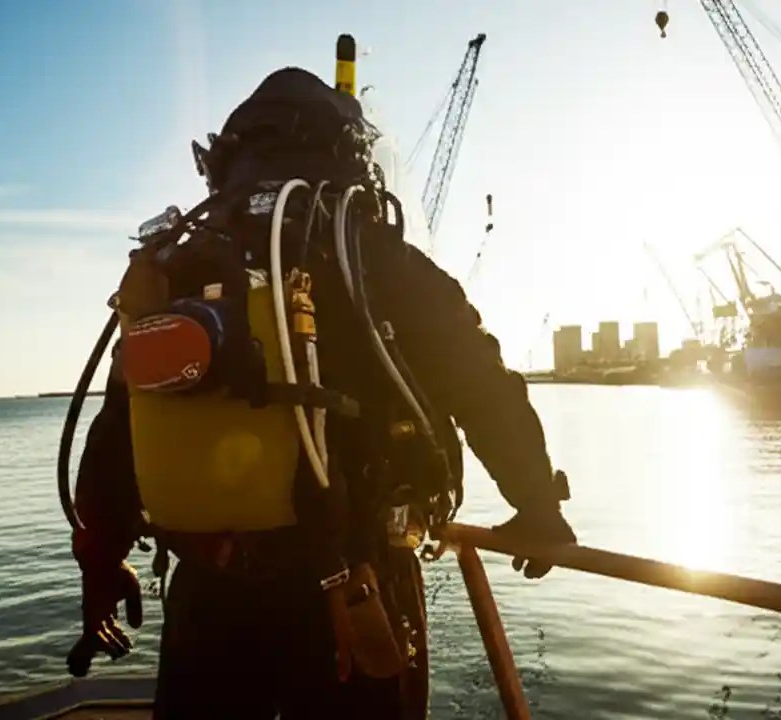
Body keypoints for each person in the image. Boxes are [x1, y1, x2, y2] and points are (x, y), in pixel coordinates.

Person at [65, 65, 577, 719]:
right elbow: (483, 385)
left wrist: (102, 562)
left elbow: (119, 426)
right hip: (356, 595)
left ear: (227, 160)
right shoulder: (380, 261)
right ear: (352, 158)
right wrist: (536, 504)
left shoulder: (177, 270)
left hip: (208, 599)